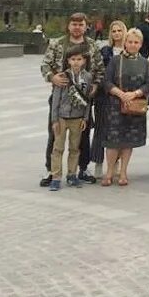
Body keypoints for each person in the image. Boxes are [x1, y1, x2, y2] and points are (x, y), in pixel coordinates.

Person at [40, 12, 105, 187]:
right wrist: (52, 77)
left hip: (83, 99)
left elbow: (100, 69)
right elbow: (45, 64)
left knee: (83, 136)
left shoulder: (92, 46)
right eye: (74, 24)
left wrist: (95, 86)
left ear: (86, 26)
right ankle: (52, 171)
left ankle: (81, 169)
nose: (77, 27)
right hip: (60, 97)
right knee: (55, 135)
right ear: (68, 26)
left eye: (80, 24)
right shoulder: (58, 43)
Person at [102, 28, 149, 186]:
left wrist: (135, 93)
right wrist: (120, 93)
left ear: (141, 44)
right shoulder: (116, 60)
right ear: (125, 42)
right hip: (115, 105)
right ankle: (109, 172)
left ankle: (123, 172)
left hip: (135, 105)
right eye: (130, 41)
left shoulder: (145, 62)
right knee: (113, 141)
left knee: (128, 141)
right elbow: (106, 81)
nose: (133, 45)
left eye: (136, 42)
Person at [48, 45, 93, 192]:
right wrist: (54, 120)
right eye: (73, 59)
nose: (76, 62)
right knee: (58, 148)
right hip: (62, 117)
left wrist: (85, 118)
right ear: (68, 60)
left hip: (77, 118)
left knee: (75, 148)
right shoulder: (62, 77)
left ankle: (72, 174)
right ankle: (55, 177)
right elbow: (56, 99)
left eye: (79, 59)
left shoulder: (87, 77)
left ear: (84, 61)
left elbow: (87, 99)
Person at [90, 20, 125, 178]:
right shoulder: (105, 50)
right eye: (114, 31)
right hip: (104, 96)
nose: (117, 33)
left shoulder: (128, 50)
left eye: (119, 30)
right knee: (100, 130)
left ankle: (115, 164)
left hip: (121, 97)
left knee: (117, 131)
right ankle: (98, 163)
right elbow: (98, 71)